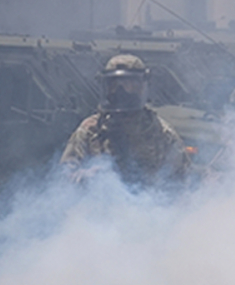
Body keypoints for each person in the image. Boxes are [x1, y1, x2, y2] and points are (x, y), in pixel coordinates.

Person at [61, 53, 194, 188]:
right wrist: (85, 177)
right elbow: (63, 177)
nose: (121, 90)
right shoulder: (91, 130)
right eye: (114, 84)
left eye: (129, 84)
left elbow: (183, 181)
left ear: (142, 87)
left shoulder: (161, 132)